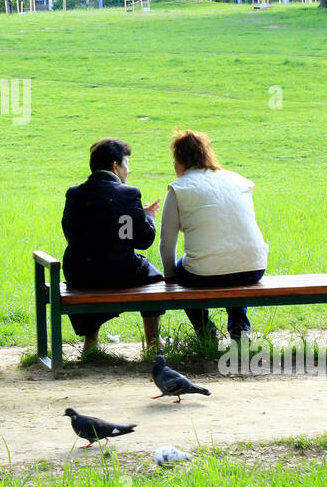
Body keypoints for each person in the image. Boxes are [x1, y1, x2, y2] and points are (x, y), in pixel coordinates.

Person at [159, 130, 268, 343]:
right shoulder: (238, 180)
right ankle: (240, 330)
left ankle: (206, 334)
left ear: (179, 160)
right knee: (232, 262)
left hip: (205, 274)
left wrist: (170, 276)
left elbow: (166, 242)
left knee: (185, 270)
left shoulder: (178, 189)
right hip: (254, 268)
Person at [61, 138, 165, 353]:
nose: (129, 170)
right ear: (115, 166)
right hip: (119, 273)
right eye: (126, 164)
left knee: (95, 265)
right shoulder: (128, 194)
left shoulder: (74, 194)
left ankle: (90, 343)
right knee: (154, 276)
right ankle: (153, 343)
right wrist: (149, 218)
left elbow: (71, 233)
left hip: (80, 274)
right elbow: (143, 240)